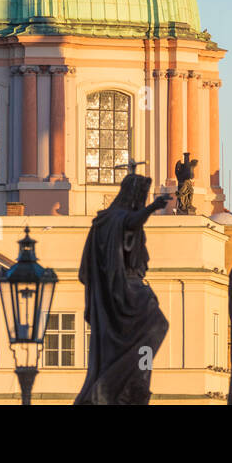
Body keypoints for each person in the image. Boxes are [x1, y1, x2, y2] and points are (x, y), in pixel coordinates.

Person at [75, 171, 170, 405]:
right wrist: (152, 209)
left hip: (127, 288)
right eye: (142, 196)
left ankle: (136, 377)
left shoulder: (108, 220)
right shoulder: (115, 218)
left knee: (152, 332)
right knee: (157, 325)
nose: (143, 201)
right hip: (124, 290)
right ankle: (122, 380)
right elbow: (130, 222)